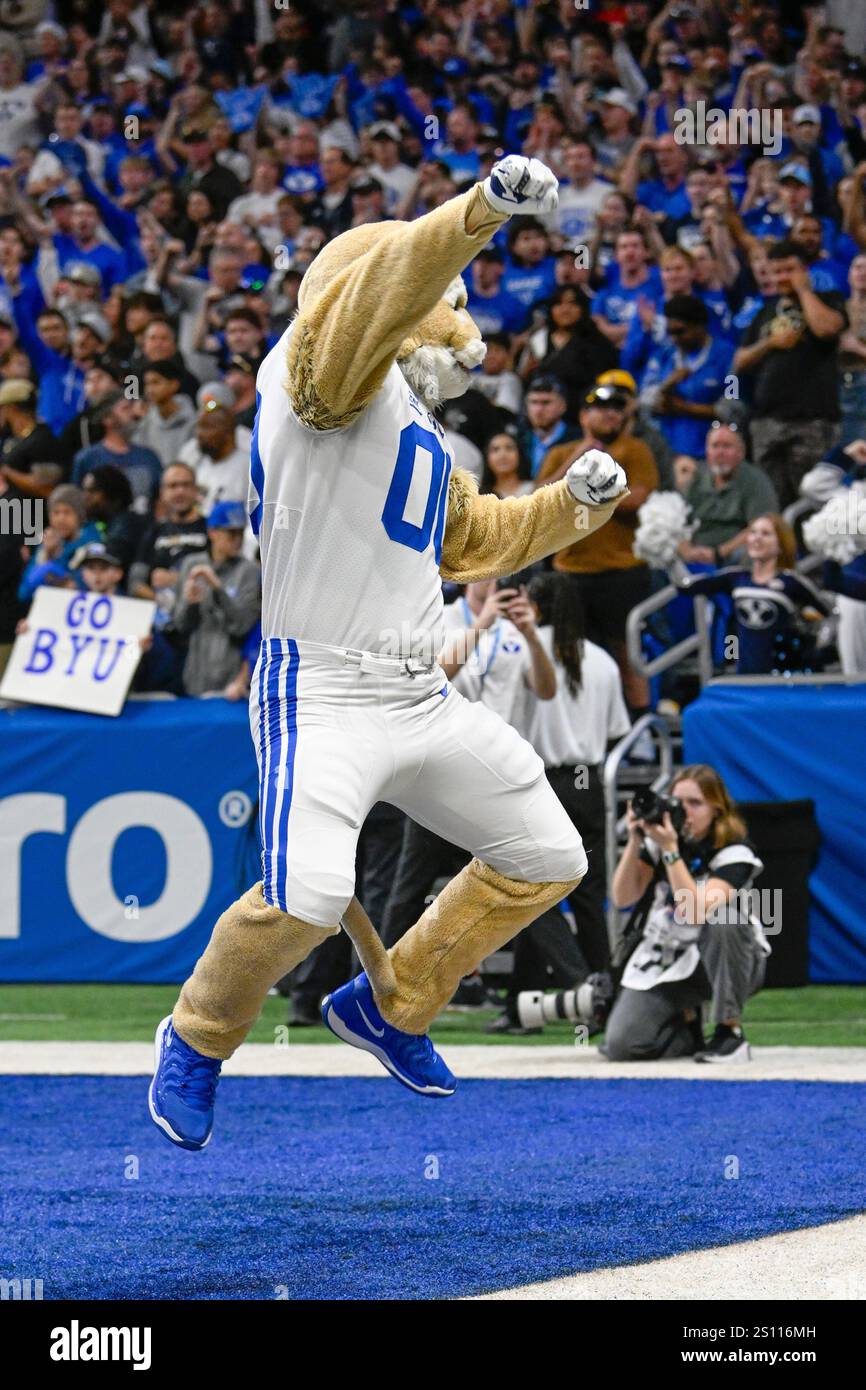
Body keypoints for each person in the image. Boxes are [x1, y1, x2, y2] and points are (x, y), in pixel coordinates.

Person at [149, 156, 629, 1149]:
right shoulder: (317, 367)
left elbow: (475, 541)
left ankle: (395, 998)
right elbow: (390, 284)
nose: (463, 327)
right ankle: (197, 1033)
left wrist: (570, 508)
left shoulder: (419, 424)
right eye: (444, 304)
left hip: (420, 692)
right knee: (309, 896)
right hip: (318, 686)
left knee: (548, 854)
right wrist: (480, 212)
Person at [485, 573, 631, 1033]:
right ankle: (596, 994)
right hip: (588, 785)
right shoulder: (604, 662)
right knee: (586, 899)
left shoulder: (519, 648)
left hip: (542, 780)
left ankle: (546, 1000)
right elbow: (613, 732)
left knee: (536, 893)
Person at [607, 765, 770, 1063]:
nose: (685, 812)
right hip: (672, 959)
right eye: (678, 803)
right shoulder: (660, 845)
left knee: (725, 919)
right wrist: (635, 841)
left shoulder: (734, 854)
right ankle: (688, 1028)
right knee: (623, 1045)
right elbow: (622, 898)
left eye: (695, 803)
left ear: (717, 810)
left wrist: (670, 852)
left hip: (730, 962)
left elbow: (694, 911)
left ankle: (728, 1033)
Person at [536, 384, 659, 713]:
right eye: (601, 408)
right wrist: (577, 462)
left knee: (626, 651)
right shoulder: (563, 453)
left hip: (621, 571)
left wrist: (583, 485)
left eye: (617, 409)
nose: (610, 414)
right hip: (569, 571)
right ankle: (581, 724)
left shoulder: (635, 450)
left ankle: (641, 727)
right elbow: (539, 497)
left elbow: (637, 500)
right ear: (583, 415)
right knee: (571, 654)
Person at [733, 240, 847, 509]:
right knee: (771, 506)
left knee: (812, 505)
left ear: (805, 269)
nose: (783, 277)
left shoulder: (830, 299)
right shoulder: (765, 311)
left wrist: (804, 289)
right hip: (766, 423)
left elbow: (827, 329)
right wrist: (770, 343)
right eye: (778, 271)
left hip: (812, 422)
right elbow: (738, 363)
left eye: (790, 270)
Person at [675, 514, 832, 675]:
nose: (757, 538)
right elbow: (686, 586)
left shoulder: (792, 581)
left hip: (783, 680)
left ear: (780, 544)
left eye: (765, 534)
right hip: (745, 678)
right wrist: (668, 556)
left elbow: (831, 612)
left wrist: (818, 644)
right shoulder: (735, 577)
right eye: (753, 532)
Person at [172, 500, 261, 698]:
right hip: (194, 674)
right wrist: (190, 604)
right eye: (231, 533)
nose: (237, 539)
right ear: (213, 533)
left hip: (231, 679)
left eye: (240, 532)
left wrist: (217, 589)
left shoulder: (249, 571)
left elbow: (242, 626)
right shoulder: (191, 565)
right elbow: (181, 626)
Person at [678, 422, 779, 567]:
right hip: (695, 550)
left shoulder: (755, 480)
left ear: (741, 452)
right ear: (707, 451)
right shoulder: (695, 479)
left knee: (754, 548)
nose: (720, 453)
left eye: (727, 446)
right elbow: (679, 522)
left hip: (734, 552)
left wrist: (719, 553)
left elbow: (761, 524)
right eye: (715, 446)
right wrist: (686, 550)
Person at [519, 286, 618, 418]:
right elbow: (525, 379)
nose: (565, 310)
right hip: (539, 414)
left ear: (583, 308)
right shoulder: (538, 339)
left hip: (580, 415)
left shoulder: (598, 343)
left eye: (572, 304)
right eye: (559, 304)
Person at [71, 393, 162, 516]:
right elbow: (77, 503)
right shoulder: (87, 458)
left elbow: (161, 499)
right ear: (107, 419)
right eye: (125, 408)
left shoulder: (149, 456)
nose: (133, 414)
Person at [18, 483, 100, 601]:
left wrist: (53, 562)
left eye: (67, 512)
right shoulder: (47, 543)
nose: (61, 519)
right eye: (56, 512)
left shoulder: (93, 543)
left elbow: (80, 586)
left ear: (80, 515)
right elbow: (24, 593)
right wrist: (46, 554)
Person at [0, 379, 64, 498]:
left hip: (33, 514)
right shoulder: (12, 438)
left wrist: (7, 472)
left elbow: (47, 489)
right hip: (11, 513)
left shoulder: (42, 440)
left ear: (11, 408)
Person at [517, 374, 579, 479]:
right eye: (534, 402)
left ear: (562, 406)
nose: (539, 410)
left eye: (546, 402)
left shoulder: (577, 439)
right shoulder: (518, 438)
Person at [480, 432, 533, 498]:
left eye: (509, 448)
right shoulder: (481, 498)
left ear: (520, 455)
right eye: (495, 449)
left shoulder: (534, 490)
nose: (502, 455)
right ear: (487, 458)